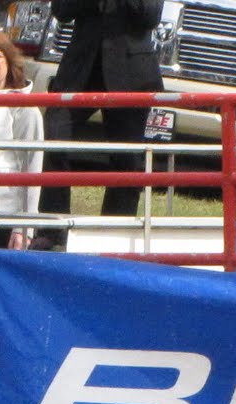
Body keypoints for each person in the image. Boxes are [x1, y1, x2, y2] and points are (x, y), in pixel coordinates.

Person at [31, 0, 164, 250]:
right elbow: (62, 11)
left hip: (131, 74)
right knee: (54, 133)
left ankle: (113, 237)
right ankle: (53, 231)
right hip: (80, 70)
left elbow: (150, 15)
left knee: (126, 160)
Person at [0, 31, 43, 251]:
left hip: (3, 217)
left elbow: (32, 167)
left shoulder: (26, 110)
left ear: (8, 61)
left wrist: (23, 227)